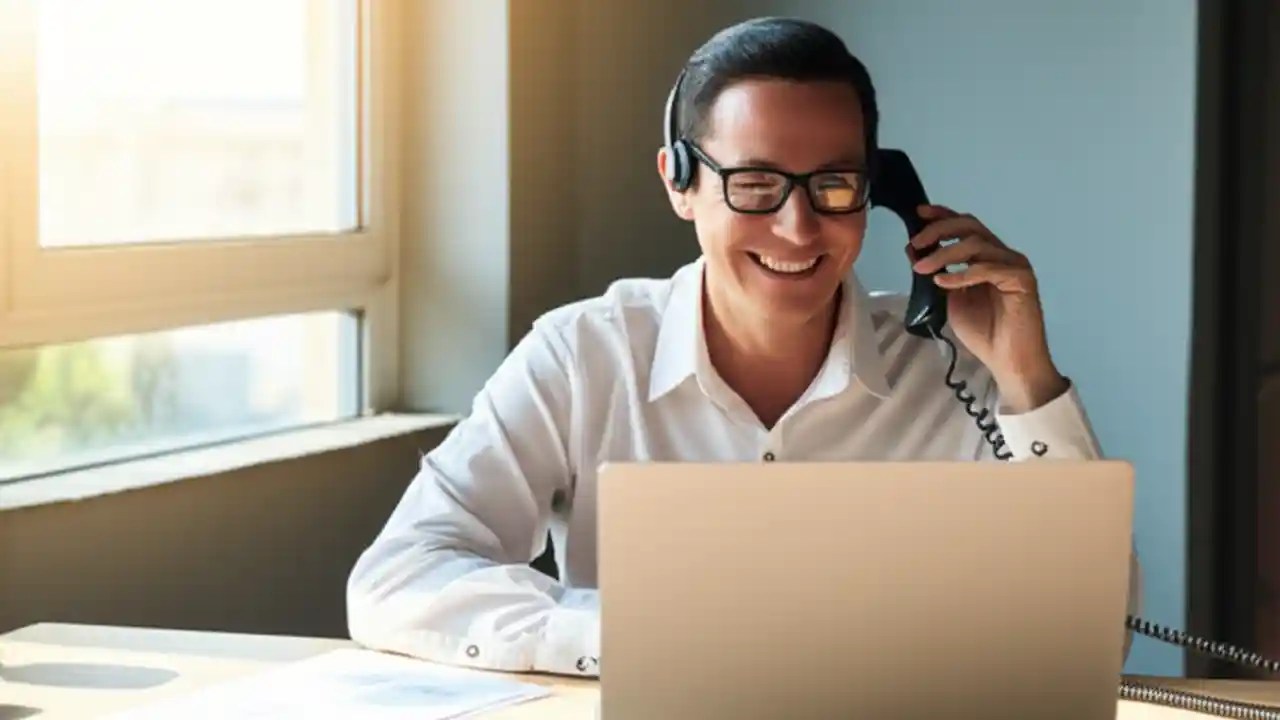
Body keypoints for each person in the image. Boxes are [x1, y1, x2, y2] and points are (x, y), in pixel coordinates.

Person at [346, 16, 1141, 678]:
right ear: (679, 182)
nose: (799, 228)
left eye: (835, 184)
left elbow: (1092, 635)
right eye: (755, 184)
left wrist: (1027, 381)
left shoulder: (953, 368)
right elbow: (400, 577)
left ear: (881, 190)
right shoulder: (583, 355)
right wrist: (646, 638)